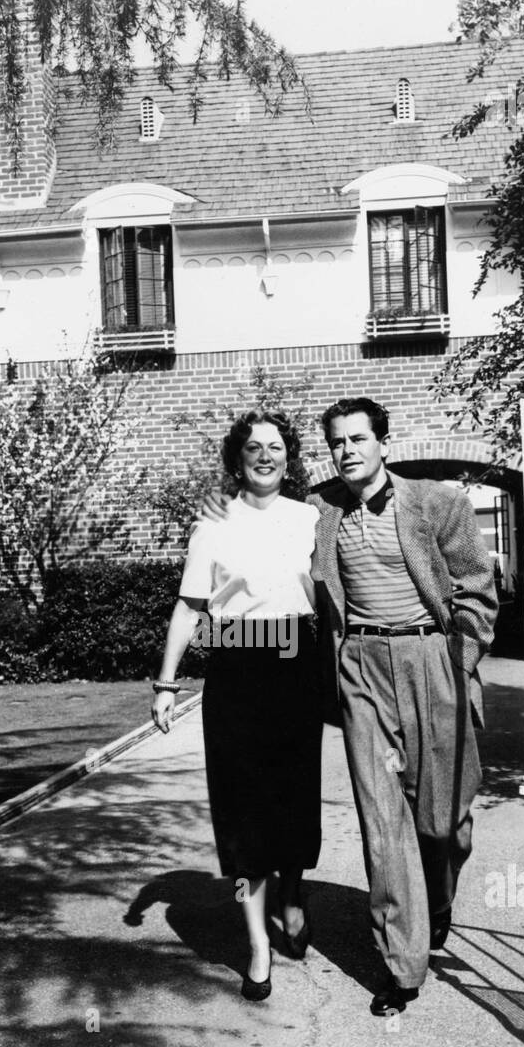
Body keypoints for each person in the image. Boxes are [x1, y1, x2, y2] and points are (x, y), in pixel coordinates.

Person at [203, 397, 498, 1015]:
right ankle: (401, 965)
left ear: (383, 443)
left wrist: (460, 659)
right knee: (382, 822)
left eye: (359, 439)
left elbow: (477, 589)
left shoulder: (439, 503)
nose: (348, 451)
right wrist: (219, 504)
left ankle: (437, 900)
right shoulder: (322, 509)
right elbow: (260, 510)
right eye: (337, 442)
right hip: (361, 667)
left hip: (433, 661)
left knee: (443, 823)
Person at [151, 409, 322, 1001]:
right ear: (237, 458)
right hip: (236, 668)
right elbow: (190, 606)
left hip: (297, 665)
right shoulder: (214, 522)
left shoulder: (310, 517)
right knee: (242, 808)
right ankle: (257, 945)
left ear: (289, 459)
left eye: (276, 447)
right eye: (254, 447)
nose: (266, 456)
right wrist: (166, 683)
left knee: (293, 797)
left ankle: (292, 893)